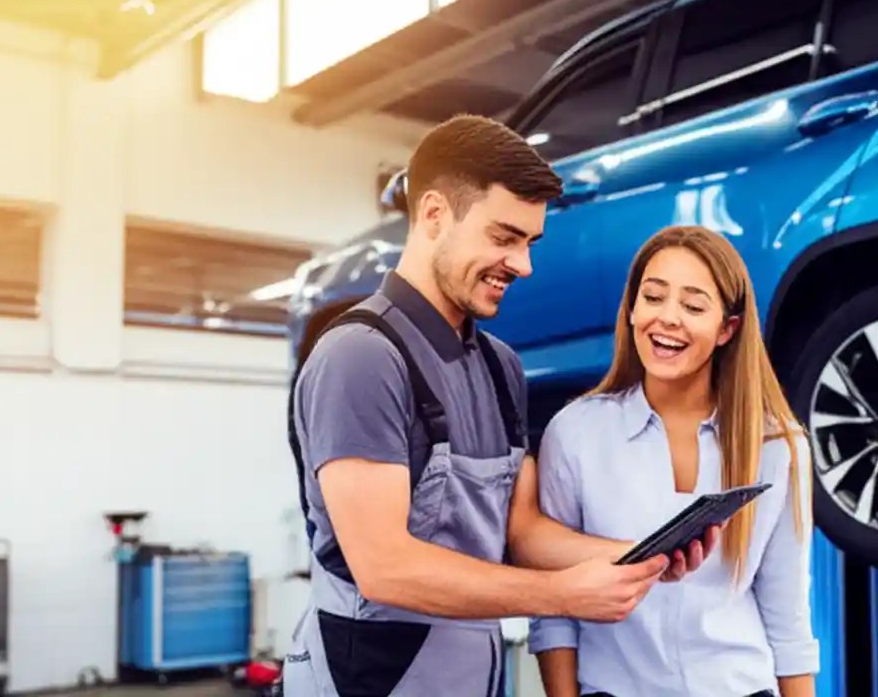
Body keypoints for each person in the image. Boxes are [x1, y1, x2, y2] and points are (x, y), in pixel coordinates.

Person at [281, 115, 719, 697]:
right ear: (434, 214)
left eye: (529, 243)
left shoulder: (499, 366)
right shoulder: (361, 357)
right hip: (366, 677)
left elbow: (521, 529)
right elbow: (384, 568)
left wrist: (635, 557)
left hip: (468, 676)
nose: (523, 265)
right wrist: (562, 595)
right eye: (504, 237)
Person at [528, 225, 820, 697]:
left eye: (693, 306)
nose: (667, 318)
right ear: (631, 309)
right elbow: (554, 610)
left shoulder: (776, 444)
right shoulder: (576, 430)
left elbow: (788, 615)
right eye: (653, 297)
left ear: (727, 329)